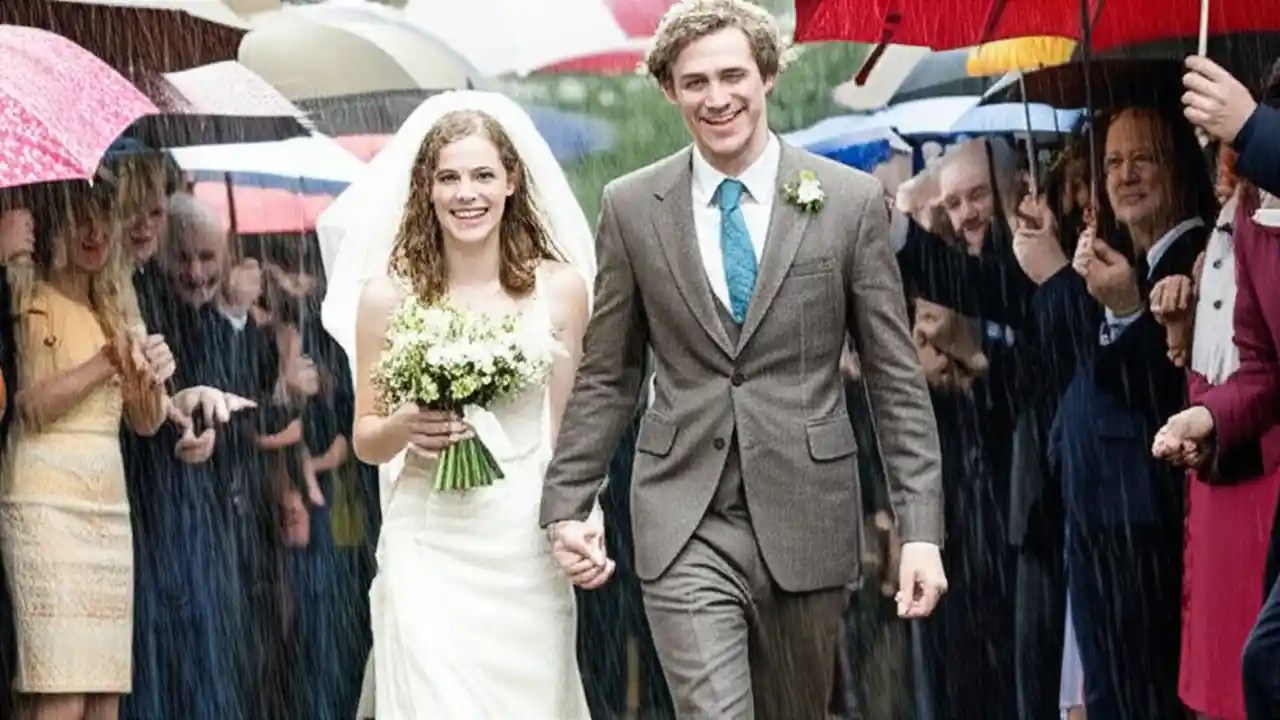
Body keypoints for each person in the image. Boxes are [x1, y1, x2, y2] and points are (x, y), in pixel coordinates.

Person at [539, 1, 948, 717]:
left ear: (767, 76)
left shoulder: (849, 203)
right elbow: (610, 372)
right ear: (669, 89)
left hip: (808, 514)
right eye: (695, 82)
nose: (717, 97)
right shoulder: (631, 206)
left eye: (733, 75)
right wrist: (569, 501)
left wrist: (920, 531)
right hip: (682, 514)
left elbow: (894, 380)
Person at [321, 90, 599, 718]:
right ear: (426, 187)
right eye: (448, 177)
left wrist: (584, 517)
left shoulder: (560, 291)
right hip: (430, 541)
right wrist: (405, 424)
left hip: (522, 541)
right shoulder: (386, 299)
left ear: (511, 182)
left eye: (481, 175)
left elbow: (569, 436)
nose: (465, 193)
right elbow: (366, 438)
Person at [0, 180, 171, 720]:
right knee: (59, 690)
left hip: (107, 510)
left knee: (103, 697)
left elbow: (146, 424)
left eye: (103, 217)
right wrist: (106, 362)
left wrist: (153, 378)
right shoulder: (31, 301)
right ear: (55, 227)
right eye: (80, 218)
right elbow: (28, 406)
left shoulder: (117, 309)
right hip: (44, 505)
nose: (95, 231)